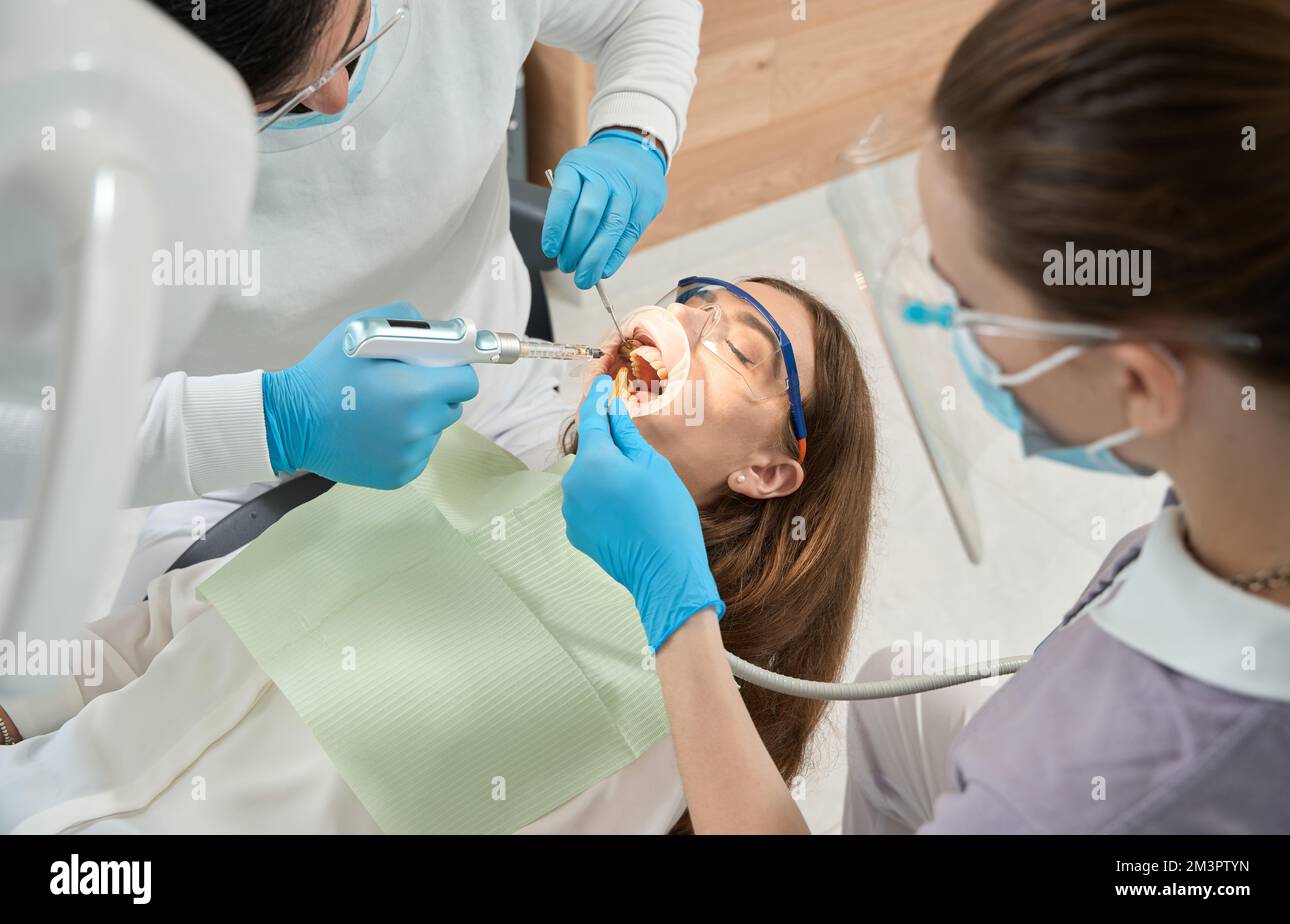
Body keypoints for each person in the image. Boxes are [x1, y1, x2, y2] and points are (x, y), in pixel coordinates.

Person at [560, 0, 1290, 833]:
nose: (929, 322)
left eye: (965, 301)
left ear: (1139, 385)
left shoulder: (1066, 798)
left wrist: (678, 616)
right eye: (697, 303)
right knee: (902, 685)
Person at [0, 277, 877, 835]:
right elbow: (148, 639)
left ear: (768, 471)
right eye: (694, 299)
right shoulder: (443, 467)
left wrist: (676, 615)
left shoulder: (665, 711)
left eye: (736, 345)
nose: (686, 321)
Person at [87, 0, 702, 605]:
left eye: (357, 37)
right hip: (228, 468)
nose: (335, 100)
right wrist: (276, 420)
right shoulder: (49, 122)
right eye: (277, 103)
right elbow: (34, 431)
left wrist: (638, 133)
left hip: (497, 405)